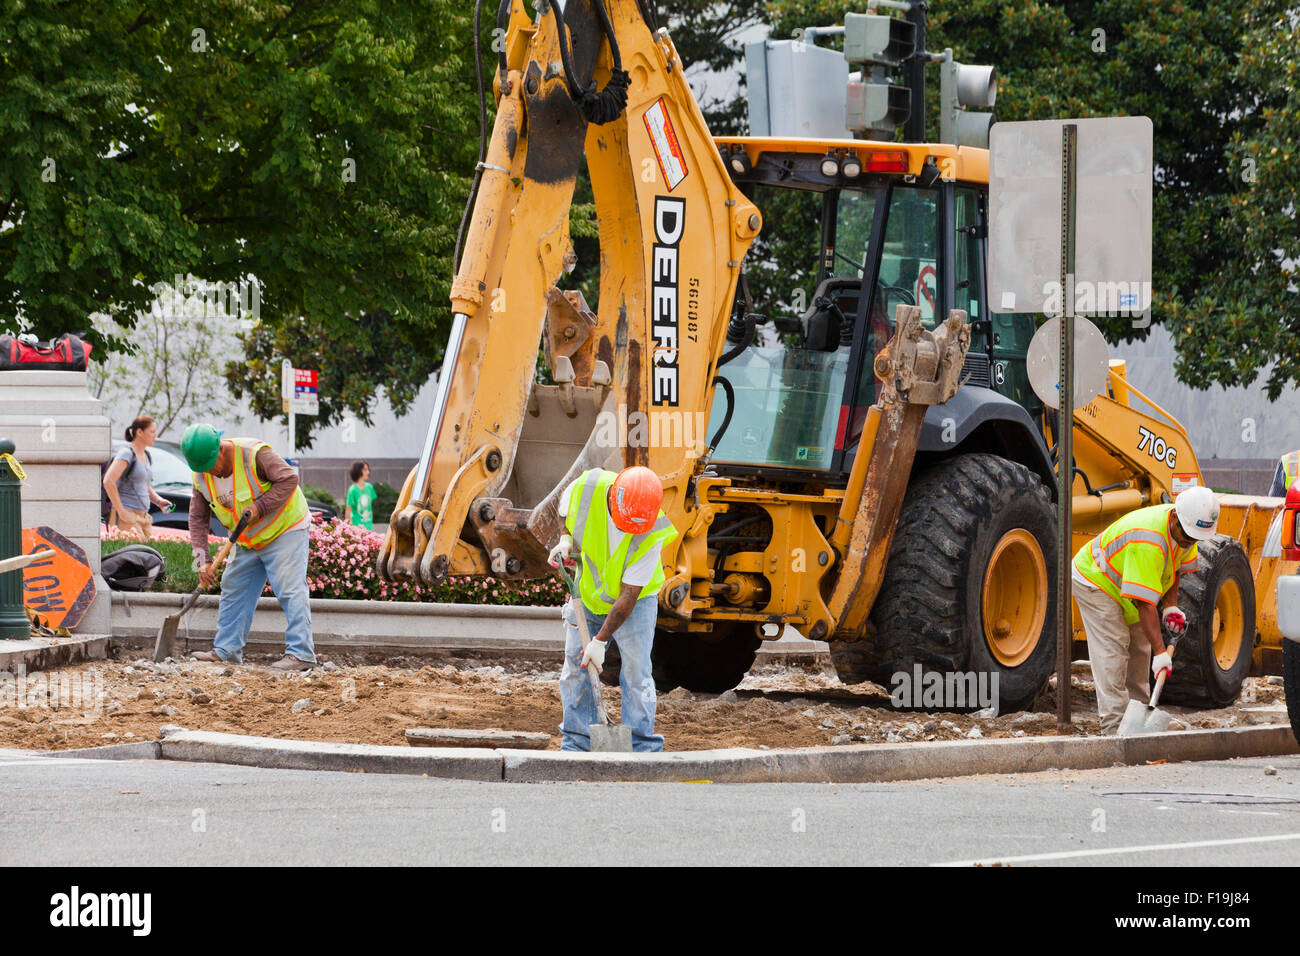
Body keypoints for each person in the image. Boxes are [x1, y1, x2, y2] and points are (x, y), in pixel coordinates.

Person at [548, 465, 677, 752]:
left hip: (636, 603)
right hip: (588, 594)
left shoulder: (651, 530)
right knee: (574, 670)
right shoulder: (590, 486)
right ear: (613, 499)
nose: (630, 531)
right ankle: (576, 743)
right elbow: (564, 506)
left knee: (636, 672)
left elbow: (629, 595)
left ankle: (642, 746)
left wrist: (600, 641)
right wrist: (565, 538)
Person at [1071, 486, 1219, 733]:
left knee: (1140, 648)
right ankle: (1114, 725)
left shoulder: (1189, 529)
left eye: (1195, 539)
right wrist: (1162, 652)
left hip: (1122, 581)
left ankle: (1138, 717)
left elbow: (1176, 569)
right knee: (1113, 648)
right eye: (1187, 537)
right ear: (1174, 518)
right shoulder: (1149, 539)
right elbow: (1145, 603)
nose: (1190, 543)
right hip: (1096, 578)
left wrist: (1170, 606)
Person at [181, 423, 316, 671]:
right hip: (247, 538)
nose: (209, 472)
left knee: (289, 587)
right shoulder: (200, 475)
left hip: (285, 528)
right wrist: (201, 560)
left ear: (221, 449)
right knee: (234, 586)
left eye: (211, 465)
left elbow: (289, 479)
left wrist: (260, 507)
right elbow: (197, 519)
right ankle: (227, 651)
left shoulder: (254, 454)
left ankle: (301, 653)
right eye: (202, 468)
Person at [102, 416, 174, 538]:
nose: (155, 435)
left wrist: (158, 501)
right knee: (134, 554)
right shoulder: (126, 454)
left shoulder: (146, 455)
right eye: (152, 432)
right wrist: (121, 511)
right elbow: (108, 481)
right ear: (139, 432)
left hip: (144, 517)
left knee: (145, 555)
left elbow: (145, 485)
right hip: (128, 515)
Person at [345, 460, 376, 530]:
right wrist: (348, 528)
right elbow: (348, 510)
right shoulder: (352, 490)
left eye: (368, 470)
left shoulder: (369, 487)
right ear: (358, 471)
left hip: (369, 528)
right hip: (356, 528)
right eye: (365, 470)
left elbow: (370, 508)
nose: (368, 472)